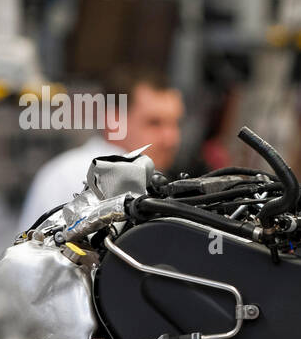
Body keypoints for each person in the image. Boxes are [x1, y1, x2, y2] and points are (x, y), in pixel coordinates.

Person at [17, 70, 184, 233]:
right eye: (154, 123)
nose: (171, 139)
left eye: (175, 123)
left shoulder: (162, 183)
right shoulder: (66, 176)